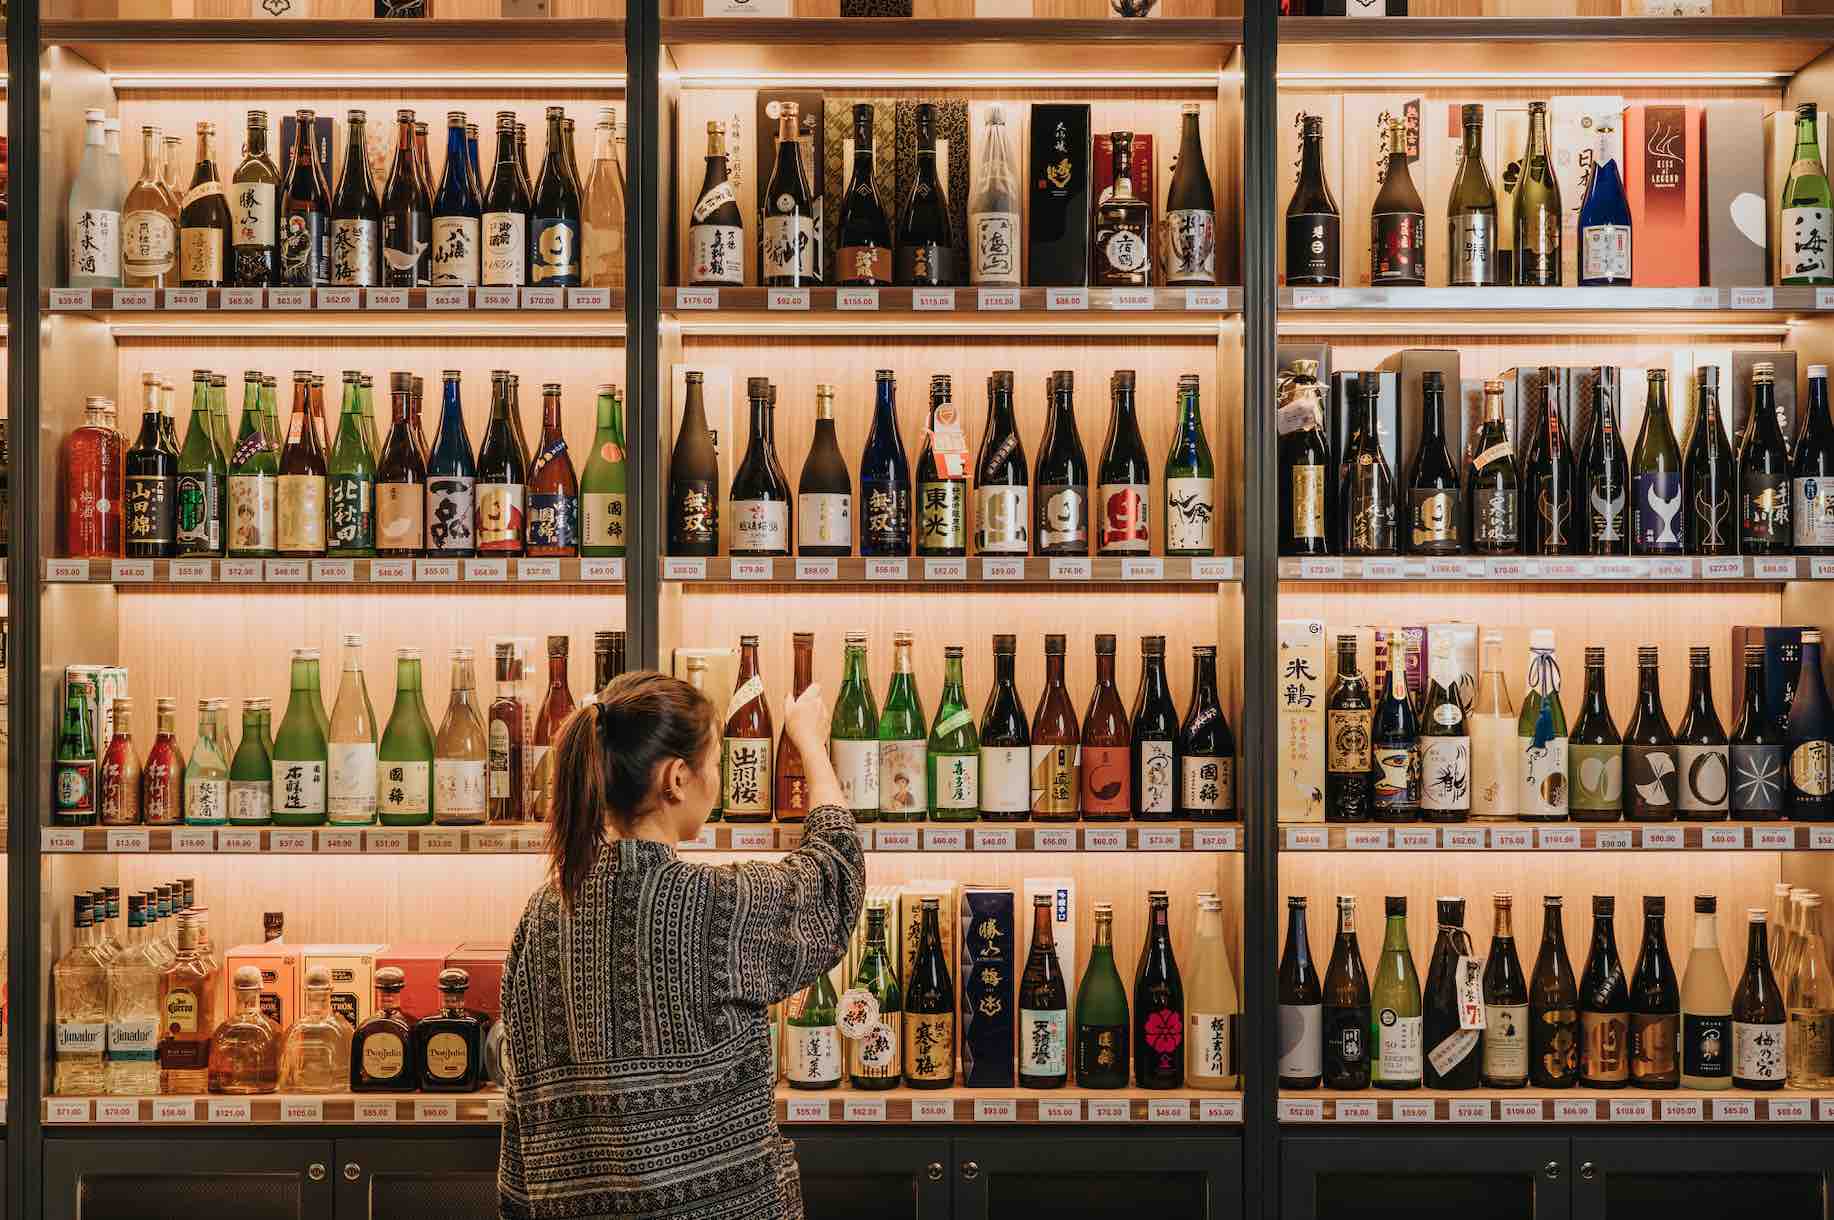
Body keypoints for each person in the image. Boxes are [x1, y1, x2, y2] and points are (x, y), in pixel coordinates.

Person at [498, 670, 863, 1220]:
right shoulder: (710, 904)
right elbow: (834, 878)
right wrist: (810, 741)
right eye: (714, 765)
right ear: (676, 779)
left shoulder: (544, 912)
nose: (716, 781)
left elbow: (519, 1108)